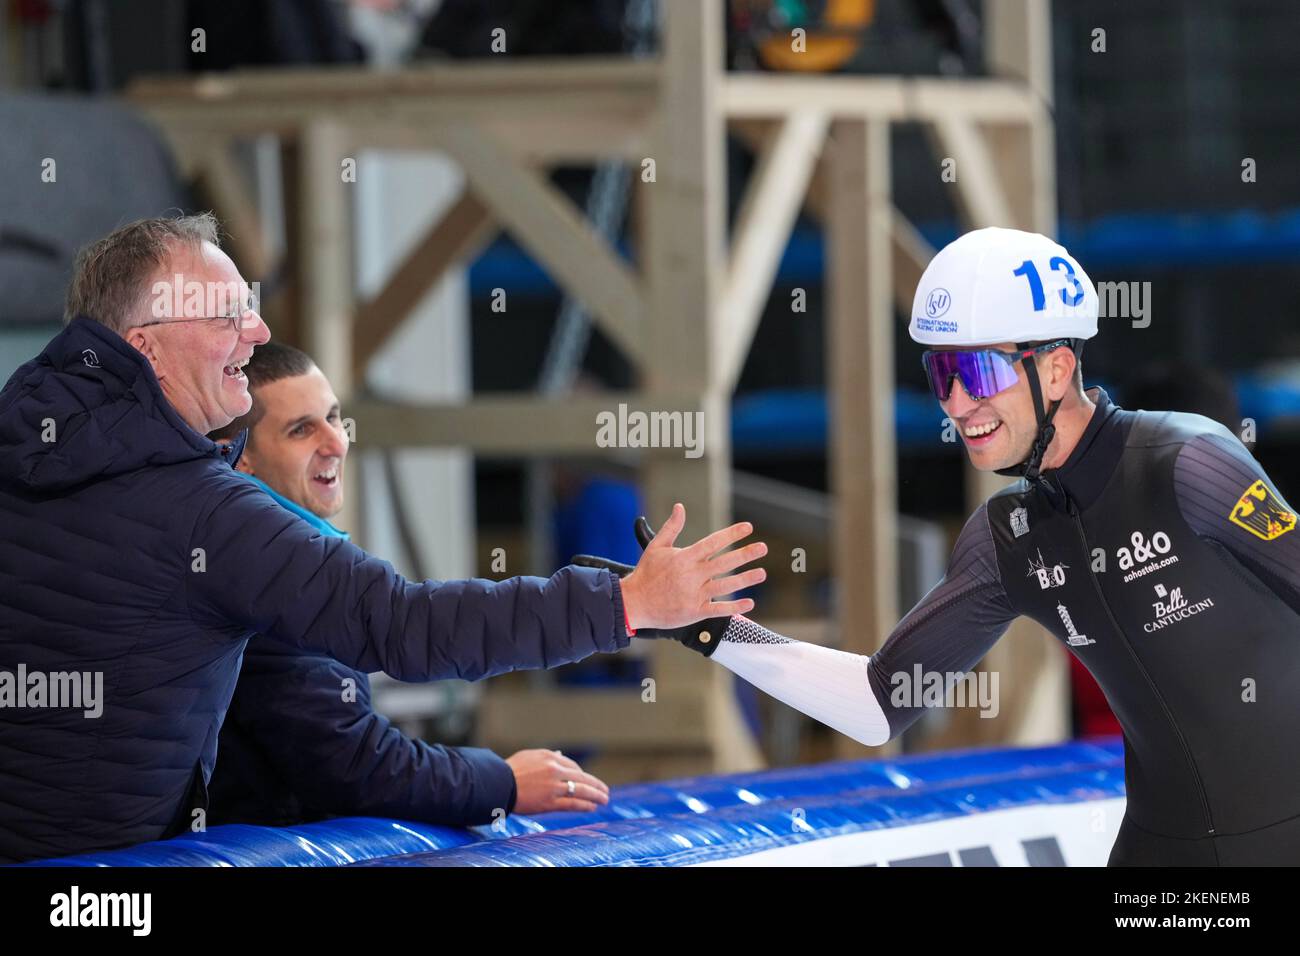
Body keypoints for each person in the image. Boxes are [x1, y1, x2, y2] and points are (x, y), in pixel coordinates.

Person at [0, 213, 766, 863]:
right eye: (228, 314)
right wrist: (626, 602)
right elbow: (401, 625)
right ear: (147, 344)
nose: (259, 331)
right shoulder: (202, 511)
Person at [593, 227, 1300, 866]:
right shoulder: (1009, 541)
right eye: (942, 375)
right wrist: (711, 629)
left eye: (980, 372)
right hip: (1165, 854)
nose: (957, 404)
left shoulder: (1186, 460)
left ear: (1055, 369)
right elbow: (878, 703)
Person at [204, 342, 609, 826]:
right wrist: (504, 782)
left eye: (333, 418)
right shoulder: (263, 570)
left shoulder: (289, 555)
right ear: (240, 458)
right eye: (301, 430)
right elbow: (351, 767)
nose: (335, 442)